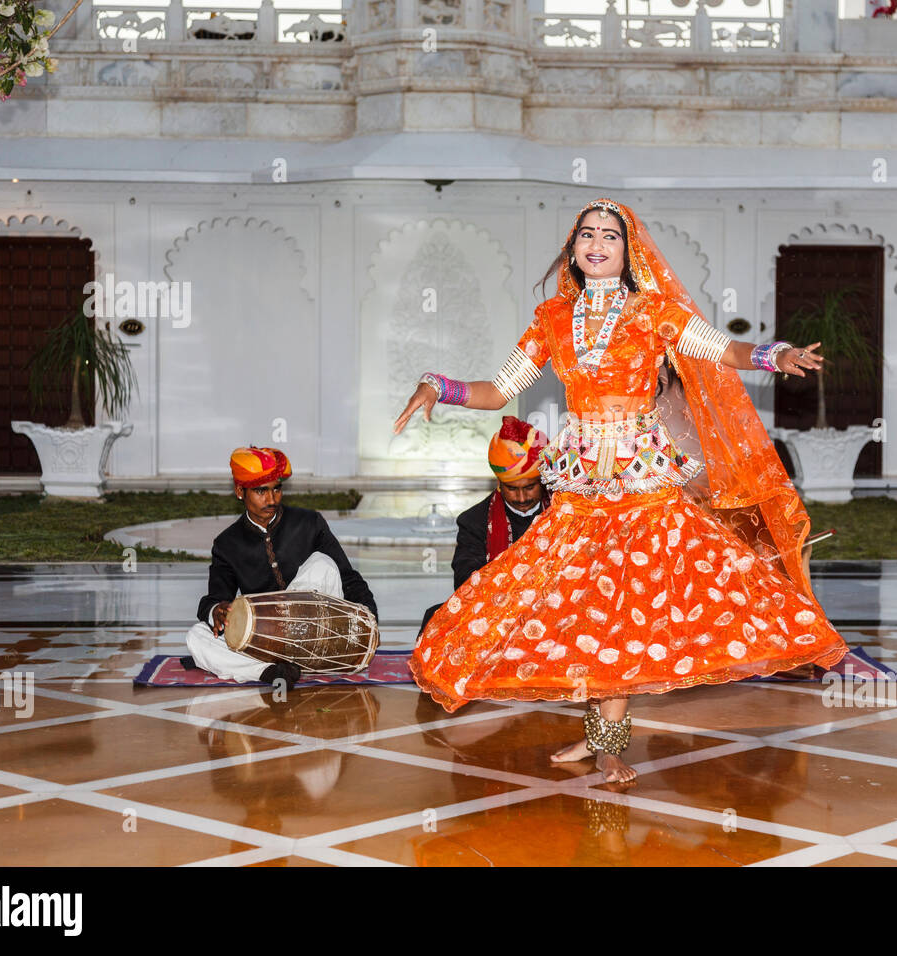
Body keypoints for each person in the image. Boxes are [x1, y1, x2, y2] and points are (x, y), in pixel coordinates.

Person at [393, 198, 848, 784]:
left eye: (611, 234)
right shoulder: (553, 318)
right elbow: (500, 389)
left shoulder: (654, 310)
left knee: (631, 607)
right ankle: (596, 735)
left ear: (628, 250)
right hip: (583, 487)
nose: (598, 242)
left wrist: (773, 354)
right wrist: (438, 385)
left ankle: (608, 742)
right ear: (573, 246)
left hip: (644, 485)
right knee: (584, 602)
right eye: (587, 233)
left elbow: (720, 351)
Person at [183, 446, 379, 686]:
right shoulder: (227, 544)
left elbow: (347, 577)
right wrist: (217, 611)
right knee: (196, 637)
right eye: (260, 491)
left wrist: (370, 619)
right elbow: (214, 598)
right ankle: (269, 672)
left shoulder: (309, 523)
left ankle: (279, 664)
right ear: (239, 492)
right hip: (264, 643)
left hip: (318, 634)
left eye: (277, 489)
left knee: (322, 563)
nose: (271, 499)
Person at [418, 416, 552, 637]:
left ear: (543, 480)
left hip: (553, 608)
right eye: (511, 488)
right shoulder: (474, 521)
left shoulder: (563, 511)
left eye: (529, 487)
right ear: (499, 483)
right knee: (437, 622)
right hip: (496, 612)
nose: (520, 497)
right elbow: (465, 582)